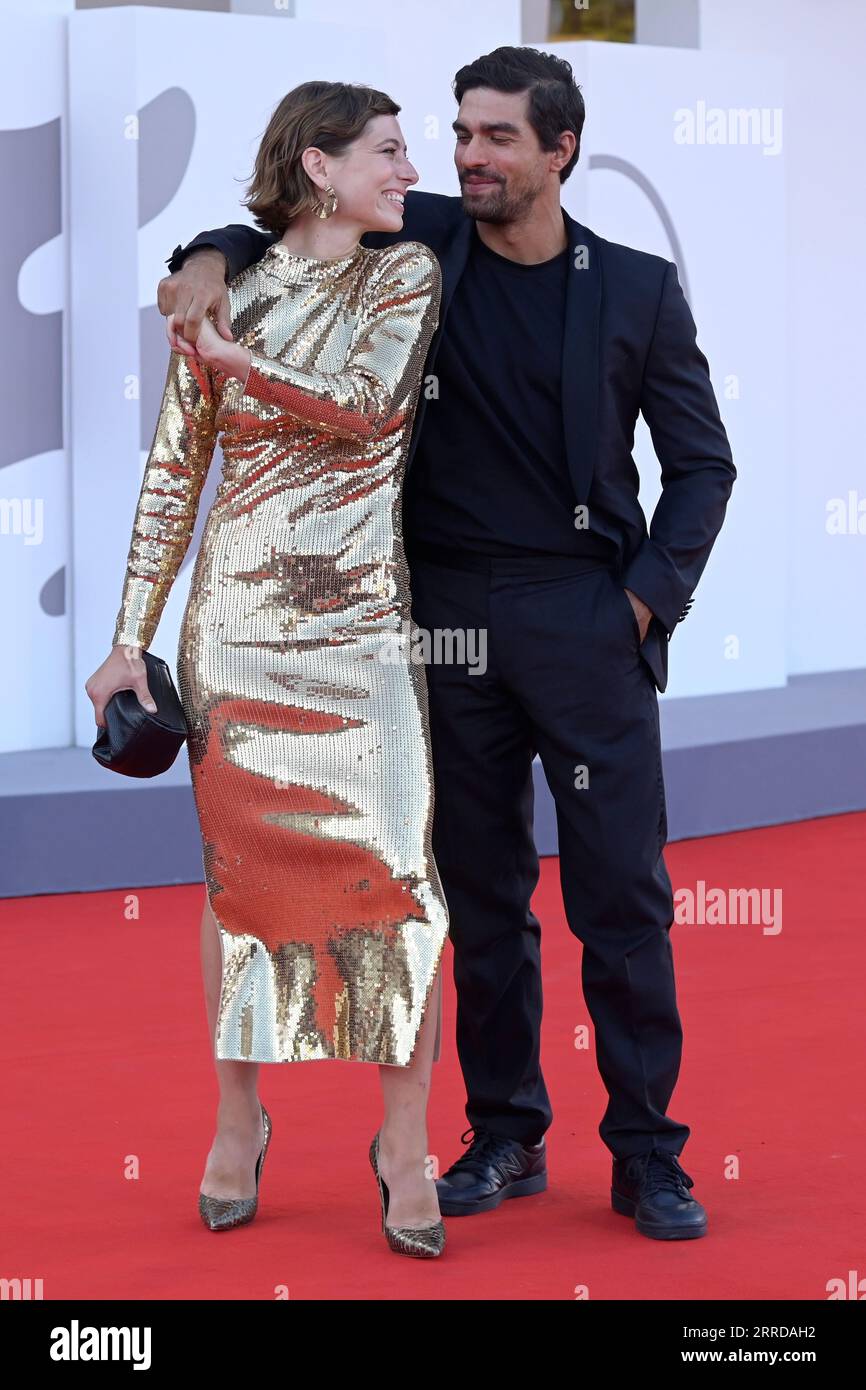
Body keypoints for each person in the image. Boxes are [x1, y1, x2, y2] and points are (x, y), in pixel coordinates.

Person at [157, 46, 736, 1241]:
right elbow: (276, 208)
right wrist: (203, 257)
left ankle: (646, 1154)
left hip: (584, 617)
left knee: (622, 900)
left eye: (495, 139)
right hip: (443, 621)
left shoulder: (634, 287)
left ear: (557, 151)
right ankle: (506, 1134)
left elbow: (701, 465)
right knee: (475, 897)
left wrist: (641, 604)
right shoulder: (422, 242)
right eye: (459, 133)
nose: (465, 155)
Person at [85, 80, 449, 1259]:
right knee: (236, 885)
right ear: (318, 166)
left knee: (400, 874)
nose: (411, 171)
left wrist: (232, 359)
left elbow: (368, 409)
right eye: (388, 152)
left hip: (361, 631)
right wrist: (126, 637)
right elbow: (168, 480)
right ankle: (239, 1118)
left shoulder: (402, 275)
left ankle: (404, 1143)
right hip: (236, 630)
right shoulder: (221, 286)